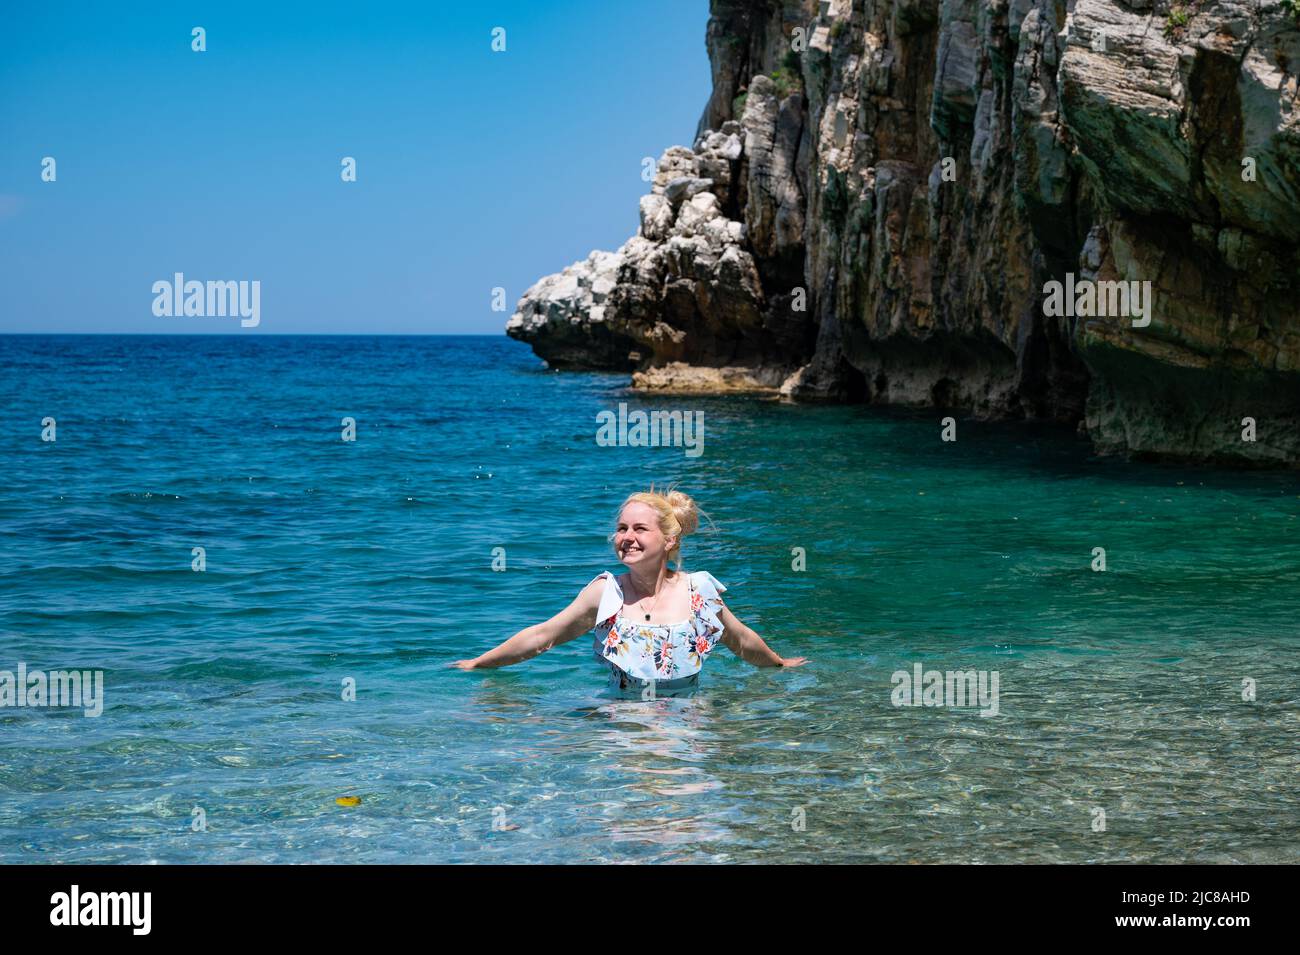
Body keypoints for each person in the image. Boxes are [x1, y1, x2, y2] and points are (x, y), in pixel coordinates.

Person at [450, 488, 806, 692]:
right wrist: (480, 663)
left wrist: (778, 664)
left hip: (689, 723)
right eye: (621, 529)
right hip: (620, 725)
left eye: (639, 529)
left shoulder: (699, 590)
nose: (626, 538)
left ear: (669, 540)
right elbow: (544, 636)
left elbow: (740, 639)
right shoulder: (606, 594)